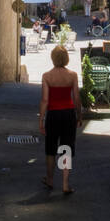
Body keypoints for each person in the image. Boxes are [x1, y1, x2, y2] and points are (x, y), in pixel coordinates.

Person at [39, 45, 82, 195]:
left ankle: (50, 179)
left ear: (52, 58)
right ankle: (65, 184)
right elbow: (76, 97)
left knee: (50, 148)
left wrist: (41, 120)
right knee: (67, 148)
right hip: (68, 114)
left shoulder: (47, 76)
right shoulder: (72, 75)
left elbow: (45, 100)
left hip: (53, 115)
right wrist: (79, 114)